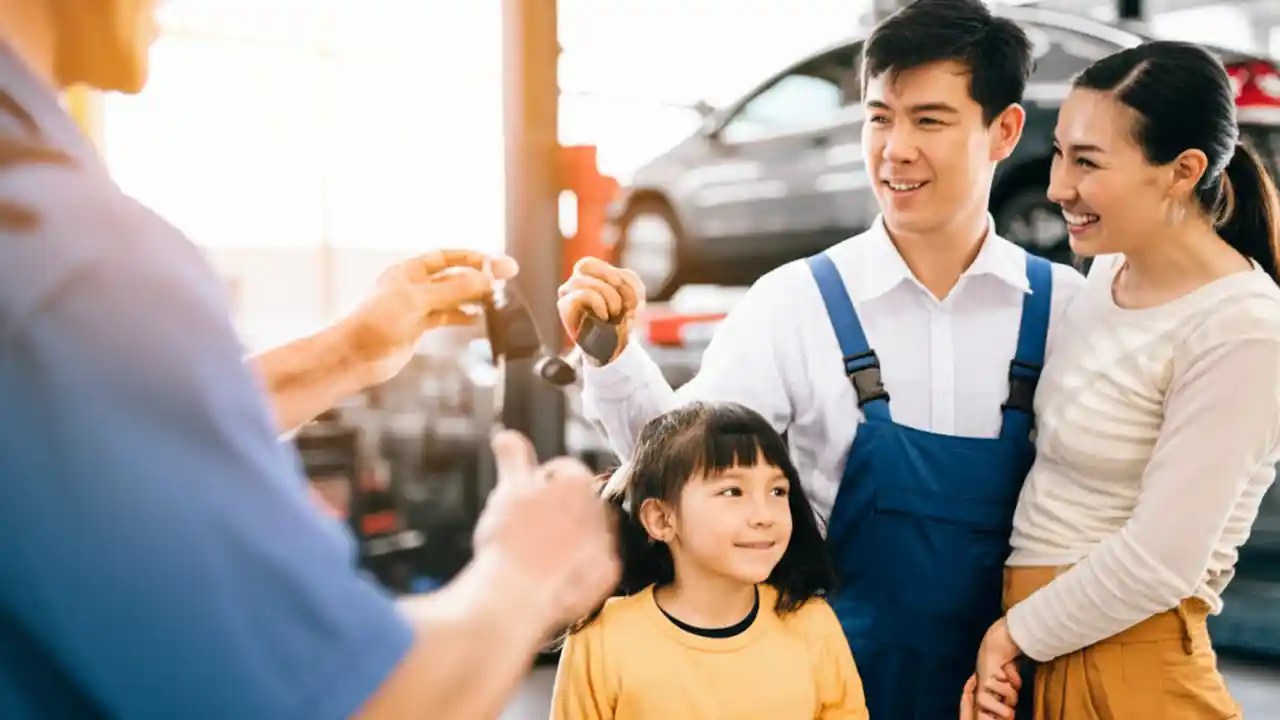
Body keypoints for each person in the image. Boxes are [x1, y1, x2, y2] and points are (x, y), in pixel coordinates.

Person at [0, 3, 620, 719]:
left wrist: (346, 354)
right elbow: (362, 705)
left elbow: (74, 427)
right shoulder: (73, 255)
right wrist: (530, 571)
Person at [558, 0, 1085, 716]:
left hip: (1015, 696)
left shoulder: (1067, 313)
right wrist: (614, 355)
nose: (895, 149)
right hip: (827, 693)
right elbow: (680, 470)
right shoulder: (796, 303)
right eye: (879, 118)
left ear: (1005, 131)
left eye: (929, 120)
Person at [970, 40, 1280, 719]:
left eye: (1088, 162)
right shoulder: (1110, 267)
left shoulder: (1243, 326)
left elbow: (1162, 560)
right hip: (1057, 647)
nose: (1058, 187)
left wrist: (1010, 635)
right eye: (1060, 154)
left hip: (1126, 662)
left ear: (1182, 171)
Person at [550, 401, 868, 719]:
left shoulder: (813, 624)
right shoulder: (601, 637)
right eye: (732, 492)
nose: (764, 516)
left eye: (777, 491)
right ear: (661, 519)